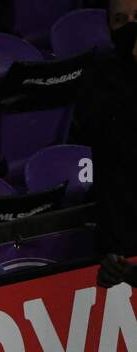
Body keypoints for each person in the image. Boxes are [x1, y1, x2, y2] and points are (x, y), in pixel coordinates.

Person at [77, 0, 137, 255]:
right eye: (120, 20)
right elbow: (120, 144)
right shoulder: (98, 79)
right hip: (124, 236)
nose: (132, 27)